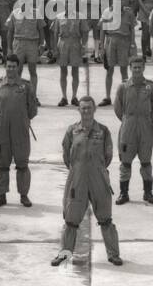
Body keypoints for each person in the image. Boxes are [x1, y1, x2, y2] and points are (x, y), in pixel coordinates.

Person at [51, 96, 121, 266]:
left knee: (105, 218)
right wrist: (78, 170)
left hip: (98, 179)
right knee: (71, 219)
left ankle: (113, 254)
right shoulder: (72, 131)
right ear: (79, 110)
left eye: (89, 108)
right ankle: (65, 253)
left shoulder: (103, 131)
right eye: (83, 108)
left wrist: (96, 169)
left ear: (94, 109)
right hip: (77, 179)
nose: (86, 111)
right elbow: (67, 155)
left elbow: (108, 155)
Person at [0, 56, 37, 207]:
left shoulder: (26, 86)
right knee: (2, 164)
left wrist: (21, 119)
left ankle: (24, 195)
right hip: (2, 131)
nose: (10, 69)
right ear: (5, 67)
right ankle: (1, 196)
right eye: (8, 66)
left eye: (13, 66)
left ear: (18, 68)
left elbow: (32, 109)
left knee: (22, 163)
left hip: (20, 131)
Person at [114, 55, 153, 205]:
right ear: (130, 68)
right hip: (129, 126)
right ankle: (124, 193)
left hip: (145, 126)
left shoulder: (150, 86)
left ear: (144, 68)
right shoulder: (124, 87)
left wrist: (147, 119)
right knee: (125, 162)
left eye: (140, 67)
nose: (137, 70)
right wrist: (128, 120)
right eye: (135, 67)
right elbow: (118, 107)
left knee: (146, 161)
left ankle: (148, 193)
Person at [100, 0, 137, 106]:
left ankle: (125, 97)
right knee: (109, 70)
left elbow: (132, 30)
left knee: (124, 70)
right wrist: (102, 46)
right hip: (111, 40)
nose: (120, 1)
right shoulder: (107, 12)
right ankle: (107, 97)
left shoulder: (129, 13)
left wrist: (132, 44)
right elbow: (102, 30)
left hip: (124, 41)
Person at [53, 14, 89, 106]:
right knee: (63, 72)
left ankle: (74, 97)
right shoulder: (59, 17)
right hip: (63, 43)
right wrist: (55, 49)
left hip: (76, 43)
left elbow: (85, 32)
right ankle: (64, 97)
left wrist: (84, 46)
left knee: (75, 72)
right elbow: (55, 33)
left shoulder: (80, 16)